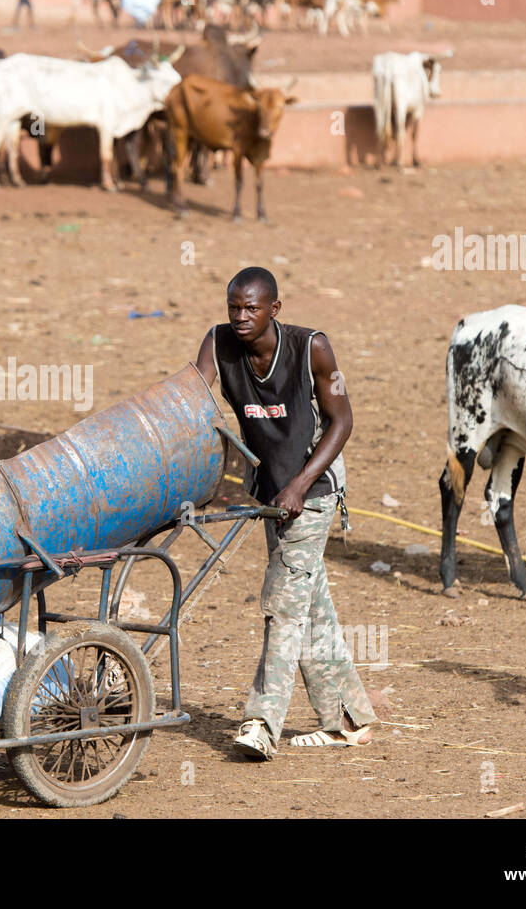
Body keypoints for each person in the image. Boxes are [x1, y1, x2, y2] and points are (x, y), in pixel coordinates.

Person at [194, 266, 377, 761]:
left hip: (312, 494)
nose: (240, 317)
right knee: (310, 606)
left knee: (282, 604)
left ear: (275, 309)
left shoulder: (312, 348)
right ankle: (349, 719)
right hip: (271, 497)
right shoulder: (218, 343)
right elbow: (192, 397)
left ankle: (261, 722)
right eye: (233, 306)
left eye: (251, 308)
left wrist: (299, 485)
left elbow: (343, 420)